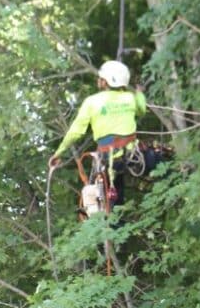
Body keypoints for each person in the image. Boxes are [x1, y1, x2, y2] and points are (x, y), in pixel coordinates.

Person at [49, 60, 146, 207]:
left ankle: (111, 215)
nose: (98, 80)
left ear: (105, 82)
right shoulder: (130, 98)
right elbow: (142, 110)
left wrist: (58, 153)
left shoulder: (91, 102)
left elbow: (76, 132)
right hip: (133, 155)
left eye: (100, 78)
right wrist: (139, 94)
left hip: (108, 157)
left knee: (107, 200)